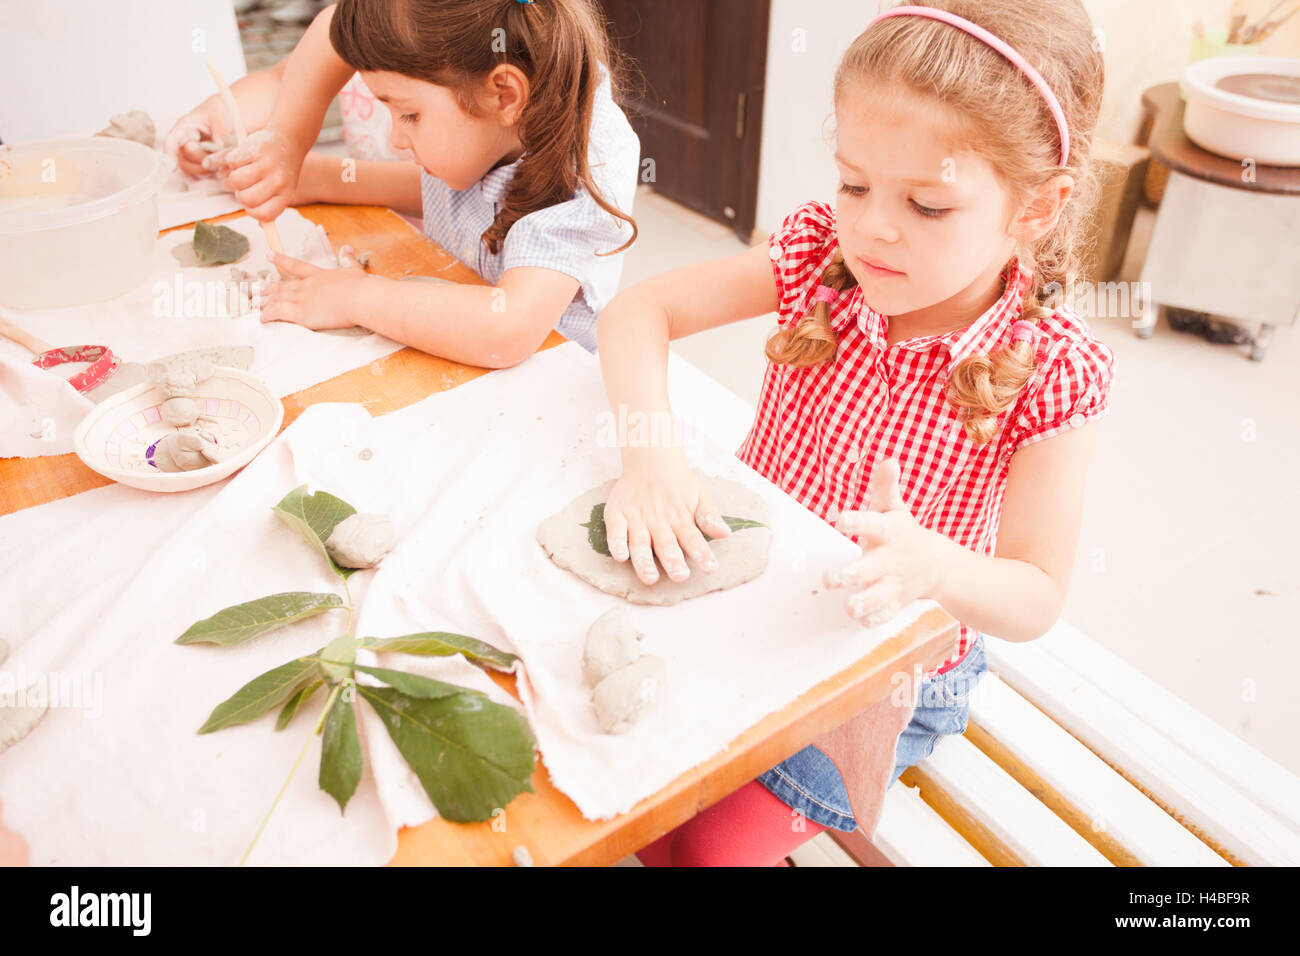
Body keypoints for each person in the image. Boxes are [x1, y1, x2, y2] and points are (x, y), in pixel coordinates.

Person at [595, 0, 1114, 866]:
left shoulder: (1052, 369)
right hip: (746, 600)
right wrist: (651, 461)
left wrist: (934, 566)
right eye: (854, 182)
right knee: (626, 797)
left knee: (706, 853)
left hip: (879, 674)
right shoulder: (818, 259)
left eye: (928, 204)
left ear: (1036, 208)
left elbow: (1035, 594)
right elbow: (638, 312)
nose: (873, 225)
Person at [193, 0, 640, 365]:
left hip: (541, 391)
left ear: (504, 94)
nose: (395, 138)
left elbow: (505, 331)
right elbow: (334, 32)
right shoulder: (488, 106)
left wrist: (353, 297)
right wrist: (295, 150)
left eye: (408, 114)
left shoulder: (586, 163)